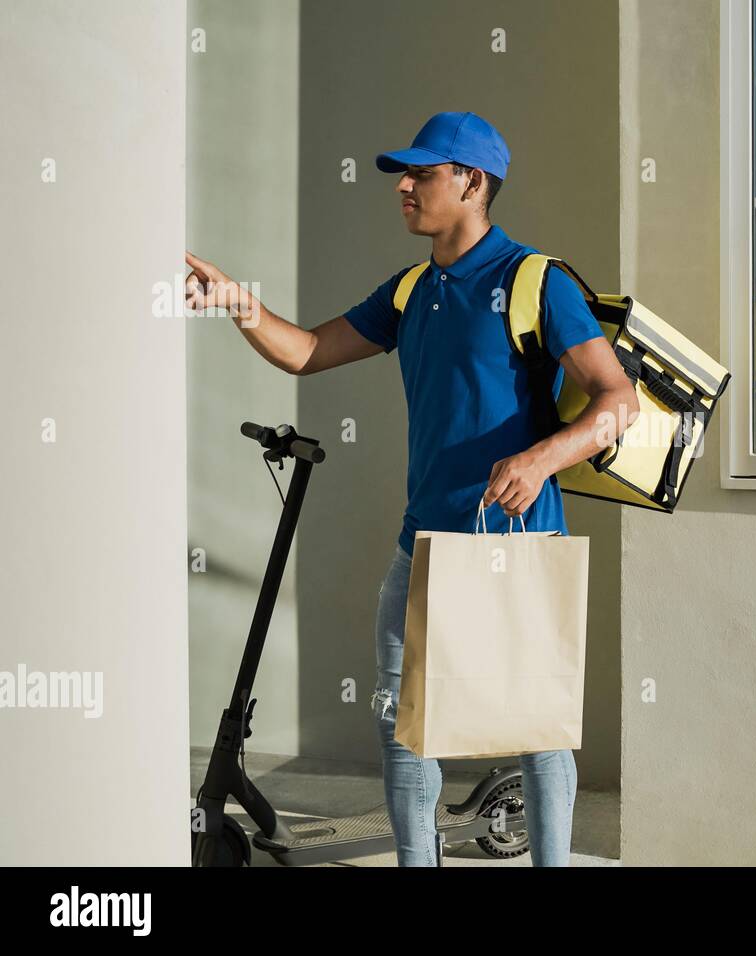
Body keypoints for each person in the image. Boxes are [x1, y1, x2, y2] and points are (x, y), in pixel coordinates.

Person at [183, 110, 637, 866]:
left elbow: (616, 400)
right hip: (421, 545)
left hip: (517, 545)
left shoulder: (535, 281)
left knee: (538, 732)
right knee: (404, 729)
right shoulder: (410, 291)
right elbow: (306, 351)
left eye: (423, 172)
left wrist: (541, 460)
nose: (405, 185)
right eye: (406, 171)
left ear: (473, 183)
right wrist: (239, 304)